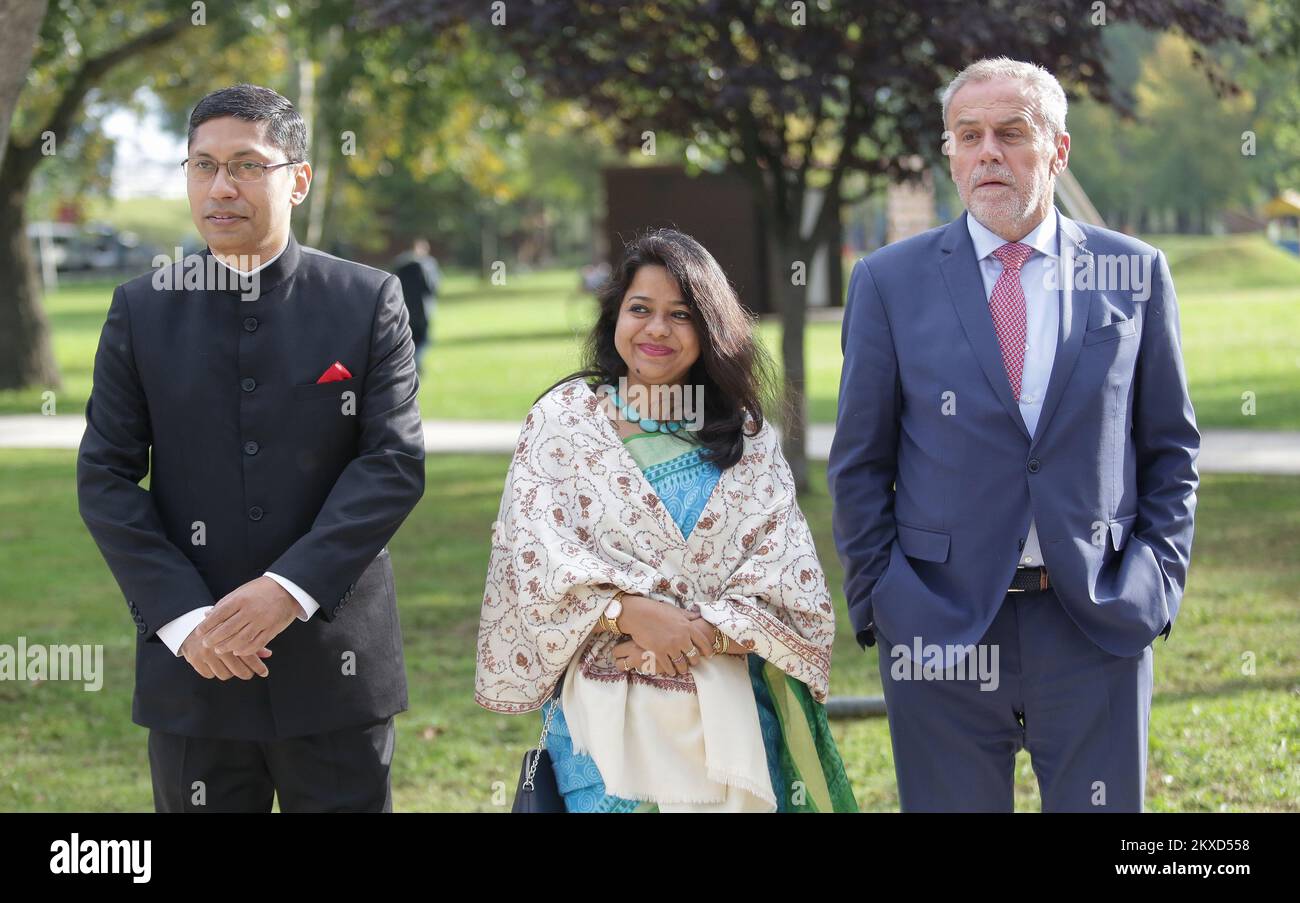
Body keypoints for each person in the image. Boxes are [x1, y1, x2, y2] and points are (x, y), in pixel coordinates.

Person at [828, 57, 1200, 812]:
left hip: (1094, 623)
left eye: (1011, 133)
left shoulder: (1134, 272)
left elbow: (1170, 449)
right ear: (950, 154)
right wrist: (884, 599)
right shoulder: (888, 281)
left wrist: (1154, 583)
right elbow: (860, 464)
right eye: (968, 135)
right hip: (938, 627)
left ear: (1058, 149)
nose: (987, 152)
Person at [76, 83, 426, 812]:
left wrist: (287, 590)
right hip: (193, 669)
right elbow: (105, 475)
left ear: (298, 179)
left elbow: (391, 463)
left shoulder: (368, 301)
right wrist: (184, 621)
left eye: (246, 165)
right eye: (203, 166)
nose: (221, 187)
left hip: (334, 668)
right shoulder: (140, 309)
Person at [475, 229, 856, 812]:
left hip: (730, 725)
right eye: (640, 309)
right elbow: (532, 560)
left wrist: (693, 637)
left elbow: (790, 581)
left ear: (710, 330)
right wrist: (626, 613)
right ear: (615, 316)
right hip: (602, 731)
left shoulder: (743, 437)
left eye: (681, 315)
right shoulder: (564, 423)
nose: (657, 329)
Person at [392, 238, 441, 374]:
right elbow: (432, 288)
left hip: (404, 308)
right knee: (423, 340)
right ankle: (416, 363)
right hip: (423, 310)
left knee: (408, 340)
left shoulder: (400, 264)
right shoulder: (427, 265)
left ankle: (411, 364)